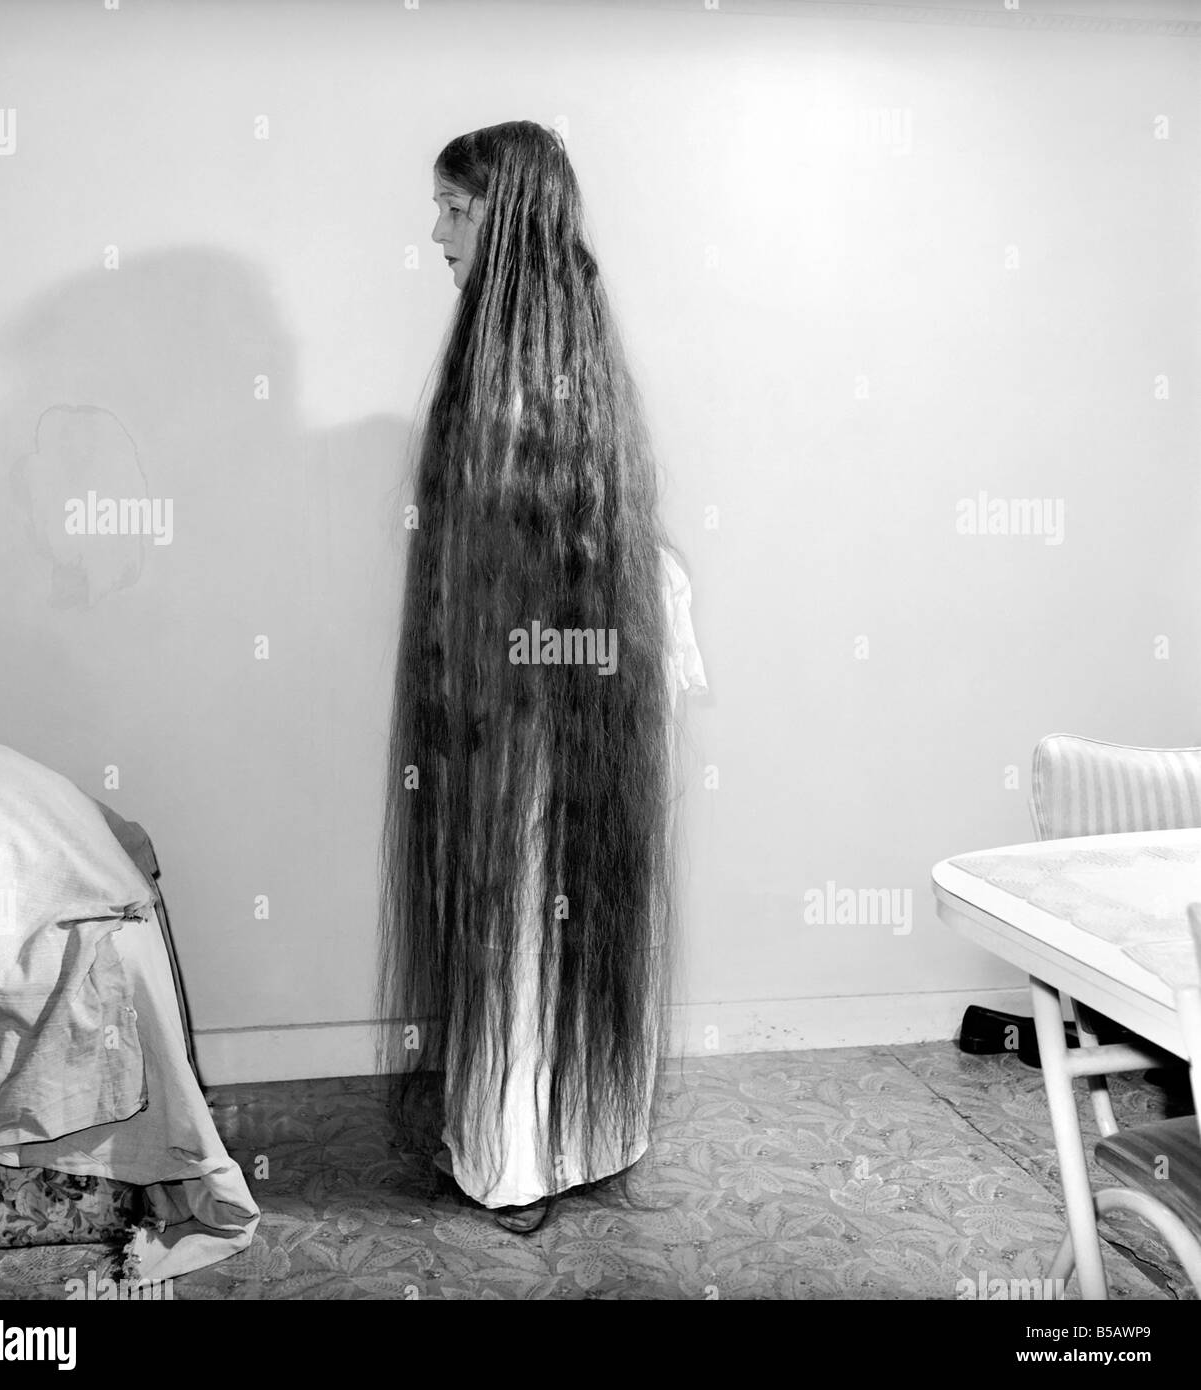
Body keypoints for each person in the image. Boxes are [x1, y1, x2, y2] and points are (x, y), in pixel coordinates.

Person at [377, 120, 704, 1234]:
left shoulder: (511, 378)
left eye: (454, 210)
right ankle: (568, 1128)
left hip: (536, 700)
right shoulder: (565, 359)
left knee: (523, 908)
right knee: (550, 910)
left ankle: (527, 1141)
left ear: (504, 217)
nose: (435, 232)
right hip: (563, 692)